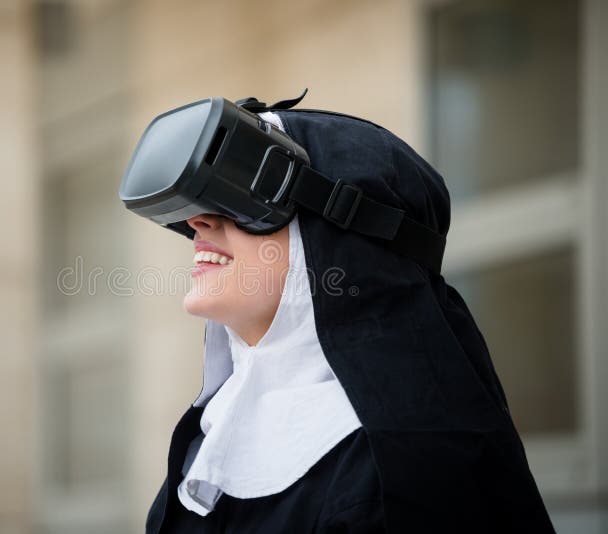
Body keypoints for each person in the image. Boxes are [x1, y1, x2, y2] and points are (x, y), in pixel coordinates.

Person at [127, 101, 556, 533]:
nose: (197, 222)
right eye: (199, 206)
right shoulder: (210, 442)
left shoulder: (400, 477)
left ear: (341, 242)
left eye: (242, 203)